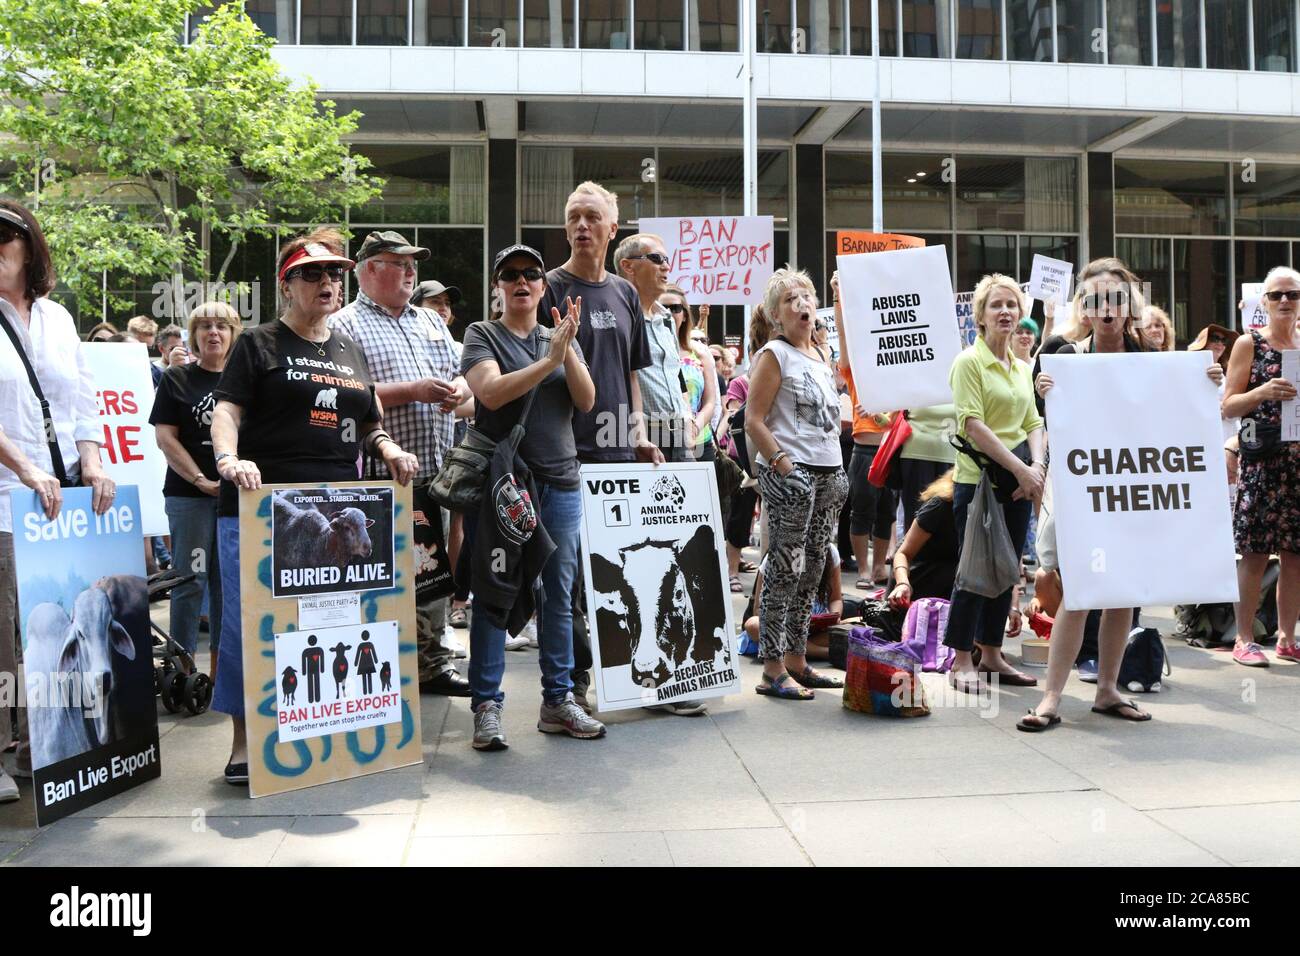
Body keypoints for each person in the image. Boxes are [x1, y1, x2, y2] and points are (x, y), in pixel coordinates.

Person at [208, 227, 419, 785]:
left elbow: (368, 419)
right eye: (312, 274)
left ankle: (327, 738)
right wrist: (228, 459)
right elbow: (227, 411)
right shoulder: (258, 343)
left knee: (327, 623)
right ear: (287, 284)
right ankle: (243, 743)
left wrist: (389, 448)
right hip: (262, 509)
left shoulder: (350, 348)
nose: (326, 282)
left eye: (334, 274)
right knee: (249, 628)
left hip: (335, 507)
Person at [1023, 262, 1224, 728]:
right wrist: (1042, 390)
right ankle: (1052, 697)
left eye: (1115, 298)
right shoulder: (1061, 353)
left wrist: (1205, 384)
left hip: (1132, 492)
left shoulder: (1150, 353)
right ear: (1085, 309)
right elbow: (1044, 418)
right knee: (1077, 591)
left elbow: (1175, 412)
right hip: (1085, 492)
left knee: (1122, 592)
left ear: (1128, 306)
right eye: (1095, 300)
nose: (1106, 309)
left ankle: (1108, 691)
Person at [461, 244, 600, 750]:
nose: (521, 281)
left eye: (531, 274)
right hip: (506, 487)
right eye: (510, 274)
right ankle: (486, 706)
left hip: (561, 483)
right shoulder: (482, 334)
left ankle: (558, 700)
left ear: (543, 287)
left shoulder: (558, 334)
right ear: (498, 286)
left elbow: (586, 401)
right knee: (494, 593)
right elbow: (491, 393)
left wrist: (566, 350)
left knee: (559, 596)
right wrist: (549, 362)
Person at [0, 199, 116, 802]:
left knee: (58, 619)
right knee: (4, 625)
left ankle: (36, 743)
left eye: (3, 236)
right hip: (5, 496)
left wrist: (92, 462)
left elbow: (83, 401)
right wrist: (22, 468)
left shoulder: (59, 319)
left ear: (29, 247)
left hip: (64, 496)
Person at [330, 230, 473, 697]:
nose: (412, 272)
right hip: (376, 476)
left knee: (430, 574)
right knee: (378, 575)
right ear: (369, 269)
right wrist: (413, 390)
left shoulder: (430, 322)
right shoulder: (345, 323)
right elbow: (346, 396)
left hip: (433, 469)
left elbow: (465, 372)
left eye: (414, 264)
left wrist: (461, 394)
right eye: (400, 263)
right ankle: (377, 674)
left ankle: (432, 665)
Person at [538, 182, 662, 712]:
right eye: (573, 218)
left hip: (617, 459)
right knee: (567, 585)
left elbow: (631, 374)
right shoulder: (544, 288)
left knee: (619, 576)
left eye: (592, 218)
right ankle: (576, 683)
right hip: (564, 460)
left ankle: (639, 676)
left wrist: (637, 433)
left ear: (613, 229)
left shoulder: (625, 293)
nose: (581, 226)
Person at [744, 268, 849, 700]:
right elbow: (752, 419)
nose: (802, 304)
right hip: (793, 475)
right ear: (775, 315)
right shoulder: (774, 354)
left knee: (812, 572)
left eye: (807, 295)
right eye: (790, 299)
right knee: (785, 571)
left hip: (828, 475)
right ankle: (771, 668)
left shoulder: (821, 357)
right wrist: (787, 468)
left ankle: (797, 659)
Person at [943, 273, 1046, 694]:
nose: (1005, 312)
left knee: (1008, 570)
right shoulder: (969, 362)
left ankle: (992, 653)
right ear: (980, 317)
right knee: (975, 569)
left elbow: (1033, 421)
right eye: (996, 306)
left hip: (1020, 481)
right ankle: (961, 657)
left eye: (1011, 305)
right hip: (980, 482)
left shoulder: (1022, 367)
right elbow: (971, 424)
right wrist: (1019, 470)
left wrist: (1035, 468)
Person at [150, 302, 240, 677]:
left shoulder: (244, 381)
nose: (213, 332)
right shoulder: (177, 379)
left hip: (235, 499)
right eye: (204, 326)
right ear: (193, 335)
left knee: (226, 585)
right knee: (190, 580)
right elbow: (166, 438)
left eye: (221, 325)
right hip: (189, 497)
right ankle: (181, 670)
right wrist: (201, 481)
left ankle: (221, 674)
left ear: (234, 333)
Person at [1222, 265, 1300, 667]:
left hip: (1298, 465)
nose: (1285, 301)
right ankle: (1245, 638)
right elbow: (1228, 404)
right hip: (1262, 461)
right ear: (1264, 302)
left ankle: (1287, 637)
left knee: (1295, 554)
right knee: (1254, 552)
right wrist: (1264, 391)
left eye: (1293, 294)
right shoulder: (1249, 344)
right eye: (1277, 295)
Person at [411, 278, 472, 636]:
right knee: (423, 541)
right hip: (416, 458)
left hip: (455, 451)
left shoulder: (461, 348)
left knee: (455, 529)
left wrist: (456, 397)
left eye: (447, 303)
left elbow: (473, 397)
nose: (444, 309)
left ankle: (450, 604)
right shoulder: (413, 344)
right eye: (435, 302)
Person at [831, 271, 897, 589]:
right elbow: (844, 338)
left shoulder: (901, 372)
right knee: (862, 512)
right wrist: (838, 296)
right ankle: (863, 572)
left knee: (886, 513)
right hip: (865, 450)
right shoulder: (856, 368)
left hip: (893, 450)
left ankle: (880, 569)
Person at [616, 233, 693, 461]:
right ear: (628, 266)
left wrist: (687, 425)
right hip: (639, 436)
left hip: (680, 436)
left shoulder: (666, 319)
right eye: (657, 258)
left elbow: (677, 378)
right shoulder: (619, 319)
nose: (666, 267)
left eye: (668, 260)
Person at [660, 283, 718, 463]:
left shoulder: (700, 352)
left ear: (684, 314)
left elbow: (710, 402)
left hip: (700, 442)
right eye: (663, 307)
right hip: (660, 443)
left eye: (675, 308)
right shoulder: (645, 350)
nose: (669, 313)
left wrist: (694, 429)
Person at [888, 469, 959, 607]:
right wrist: (902, 583)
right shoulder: (940, 506)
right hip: (917, 580)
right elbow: (902, 553)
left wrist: (1013, 605)